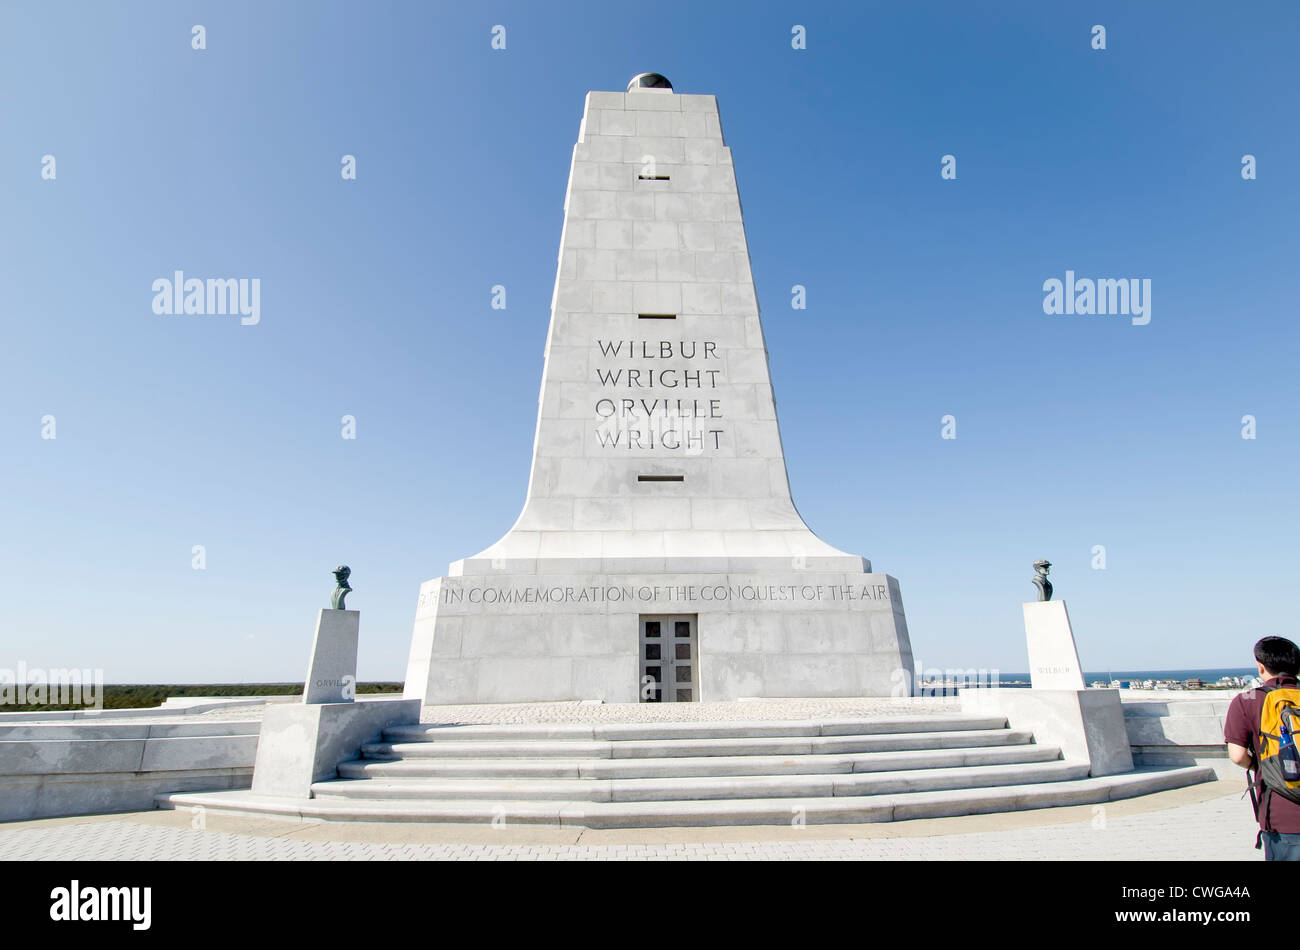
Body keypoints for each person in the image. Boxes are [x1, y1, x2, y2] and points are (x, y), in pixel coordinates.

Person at [1224, 636, 1300, 860]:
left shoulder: (1247, 701)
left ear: (1260, 666)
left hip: (1282, 811)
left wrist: (1263, 765)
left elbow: (1237, 756)